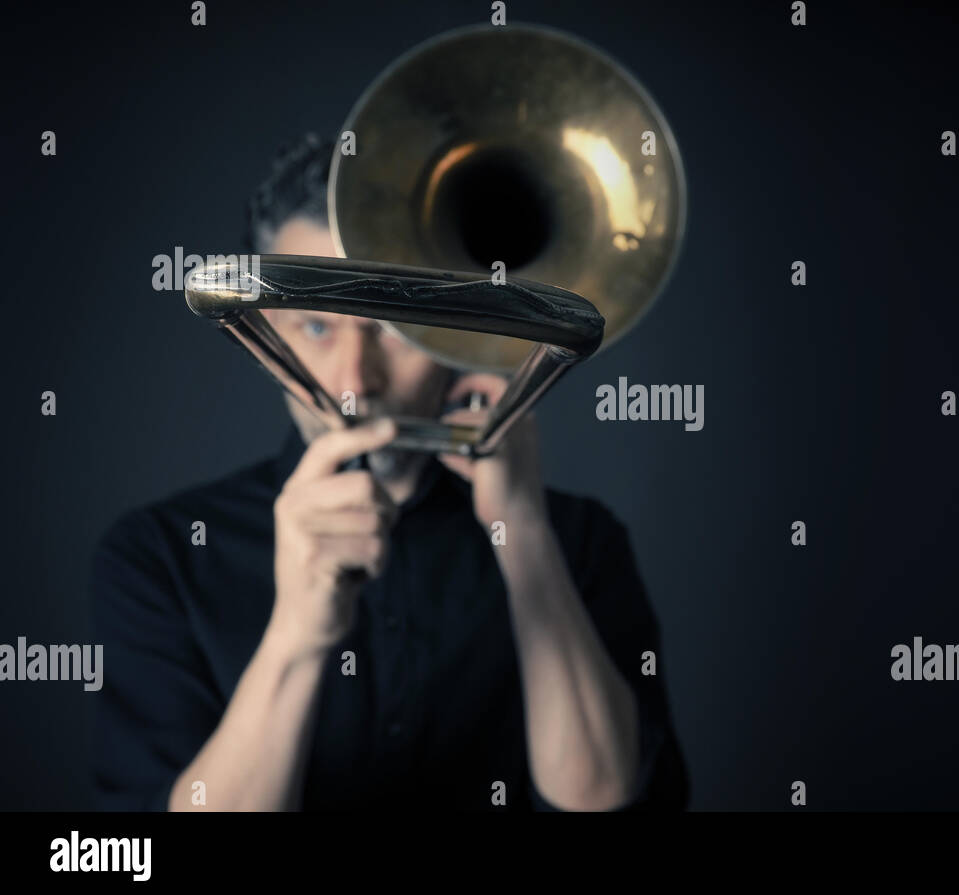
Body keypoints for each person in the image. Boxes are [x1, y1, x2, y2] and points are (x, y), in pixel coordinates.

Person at [89, 133, 688, 812]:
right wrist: (297, 635)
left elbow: (611, 804)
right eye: (317, 326)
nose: (354, 381)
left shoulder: (579, 539)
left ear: (453, 335)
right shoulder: (158, 555)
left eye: (396, 328)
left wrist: (521, 536)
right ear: (269, 337)